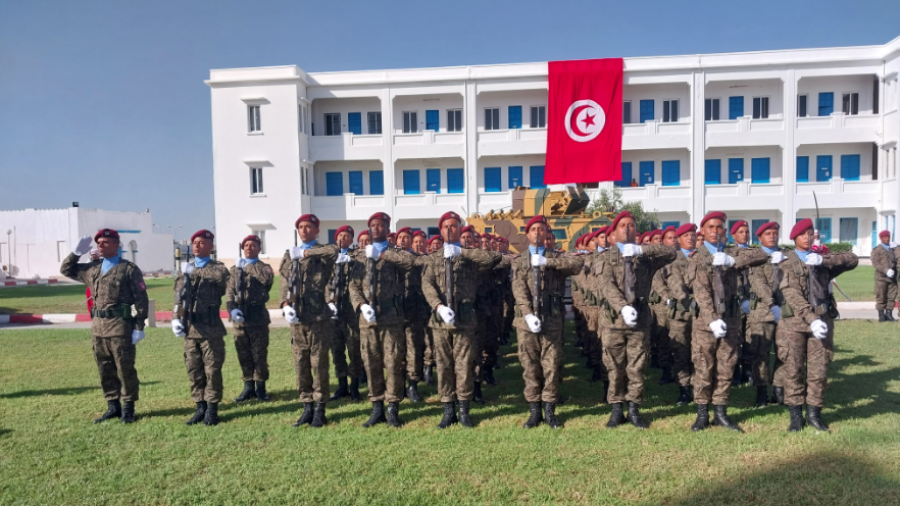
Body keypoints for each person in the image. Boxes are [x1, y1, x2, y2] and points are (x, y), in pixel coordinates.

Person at [594, 212, 676, 429]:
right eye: (622, 226)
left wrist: (642, 248)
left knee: (637, 366)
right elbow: (606, 286)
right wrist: (622, 307)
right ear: (614, 232)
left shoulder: (645, 257)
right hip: (613, 321)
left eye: (631, 226)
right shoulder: (605, 257)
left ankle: (634, 409)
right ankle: (616, 409)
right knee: (614, 366)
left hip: (639, 319)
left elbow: (671, 253)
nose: (627, 229)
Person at [688, 212, 767, 433]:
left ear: (724, 231)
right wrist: (712, 319)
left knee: (727, 366)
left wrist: (734, 261)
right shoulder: (697, 258)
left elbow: (763, 255)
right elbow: (701, 293)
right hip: (706, 324)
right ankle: (702, 414)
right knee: (704, 366)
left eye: (719, 227)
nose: (715, 231)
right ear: (702, 231)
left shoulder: (732, 253)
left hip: (731, 321)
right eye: (710, 227)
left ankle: (721, 412)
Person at [776, 218, 858, 431]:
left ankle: (814, 414)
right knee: (793, 369)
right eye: (802, 234)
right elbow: (792, 295)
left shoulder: (821, 259)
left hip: (822, 323)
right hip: (794, 324)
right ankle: (796, 416)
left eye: (810, 233)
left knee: (818, 370)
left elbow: (852, 259)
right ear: (794, 238)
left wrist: (824, 260)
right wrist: (811, 320)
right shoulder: (786, 262)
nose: (807, 237)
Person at [60, 229, 148, 424]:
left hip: (120, 326)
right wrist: (75, 253)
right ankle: (112, 406)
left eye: (106, 242)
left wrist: (139, 326)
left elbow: (141, 299)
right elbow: (66, 270)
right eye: (99, 242)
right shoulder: (92, 269)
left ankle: (128, 407)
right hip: (98, 328)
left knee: (125, 368)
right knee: (104, 368)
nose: (100, 245)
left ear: (117, 245)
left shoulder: (129, 269)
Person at [421, 212, 498, 428]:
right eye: (445, 226)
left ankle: (464, 408)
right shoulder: (433, 258)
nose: (449, 230)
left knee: (464, 364)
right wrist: (438, 306)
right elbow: (427, 284)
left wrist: (462, 251)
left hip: (465, 318)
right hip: (440, 319)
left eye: (453, 226)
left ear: (459, 229)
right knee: (444, 364)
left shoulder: (469, 255)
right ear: (440, 229)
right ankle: (448, 409)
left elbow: (492, 259)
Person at [513, 216, 583, 428]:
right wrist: (527, 313)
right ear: (527, 234)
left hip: (552, 320)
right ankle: (534, 411)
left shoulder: (556, 257)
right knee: (530, 366)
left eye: (541, 229)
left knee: (551, 365)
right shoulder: (518, 261)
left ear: (546, 234)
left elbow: (577, 264)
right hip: (526, 323)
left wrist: (547, 261)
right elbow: (518, 289)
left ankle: (550, 410)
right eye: (533, 229)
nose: (537, 233)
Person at [348, 213, 416, 427]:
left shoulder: (395, 253)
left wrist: (383, 255)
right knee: (371, 362)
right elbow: (353, 285)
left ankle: (393, 408)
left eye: (381, 225)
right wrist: (360, 305)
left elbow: (411, 263)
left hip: (391, 317)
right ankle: (376, 406)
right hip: (368, 319)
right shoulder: (360, 256)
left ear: (387, 228)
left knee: (393, 362)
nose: (376, 228)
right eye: (372, 225)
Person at [279, 214, 339, 428]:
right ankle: (307, 406)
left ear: (316, 230)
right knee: (300, 362)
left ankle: (320, 408)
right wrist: (285, 305)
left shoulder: (322, 252)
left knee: (319, 363)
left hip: (318, 317)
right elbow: (284, 282)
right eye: (301, 227)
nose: (304, 230)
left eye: (308, 227)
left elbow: (334, 250)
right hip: (298, 318)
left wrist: (304, 252)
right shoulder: (289, 255)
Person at [172, 229, 230, 426]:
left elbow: (221, 279)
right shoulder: (185, 269)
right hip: (190, 326)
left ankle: (212, 410)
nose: (197, 245)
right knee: (193, 369)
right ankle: (200, 408)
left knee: (212, 369)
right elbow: (178, 295)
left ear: (210, 246)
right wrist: (176, 318)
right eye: (194, 242)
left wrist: (193, 271)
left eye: (202, 242)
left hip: (210, 327)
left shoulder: (218, 268)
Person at [226, 234, 275, 403]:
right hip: (240, 318)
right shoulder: (234, 270)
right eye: (246, 245)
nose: (249, 248)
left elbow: (266, 281)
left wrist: (247, 267)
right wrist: (231, 309)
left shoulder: (264, 267)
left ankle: (261, 388)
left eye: (253, 245)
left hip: (258, 318)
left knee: (259, 354)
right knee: (243, 353)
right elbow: (229, 293)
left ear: (259, 249)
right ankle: (248, 387)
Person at [748, 221, 785, 407]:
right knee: (760, 355)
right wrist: (772, 305)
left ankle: (779, 391)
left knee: (784, 353)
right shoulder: (756, 257)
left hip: (786, 313)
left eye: (775, 233)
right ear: (760, 238)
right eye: (768, 233)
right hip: (763, 312)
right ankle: (761, 393)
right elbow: (759, 284)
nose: (772, 236)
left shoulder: (786, 256)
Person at [329, 225, 363, 402]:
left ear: (352, 239)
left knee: (354, 349)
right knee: (337, 350)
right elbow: (323, 283)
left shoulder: (357, 256)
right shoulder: (329, 258)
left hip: (351, 310)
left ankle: (355, 385)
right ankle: (342, 385)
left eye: (347, 235)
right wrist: (329, 301)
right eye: (340, 235)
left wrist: (350, 261)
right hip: (334, 312)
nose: (343, 238)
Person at [666, 224, 697, 405]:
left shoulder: (703, 259)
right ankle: (684, 389)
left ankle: (698, 387)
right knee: (681, 352)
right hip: (682, 314)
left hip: (702, 315)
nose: (690, 238)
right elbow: (677, 287)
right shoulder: (674, 261)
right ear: (679, 239)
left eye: (692, 235)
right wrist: (696, 299)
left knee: (700, 353)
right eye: (686, 236)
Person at [397, 227, 429, 401]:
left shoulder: (419, 260)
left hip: (415, 311)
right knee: (397, 351)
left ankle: (413, 386)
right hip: (395, 313)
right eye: (400, 237)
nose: (402, 240)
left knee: (414, 349)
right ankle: (399, 384)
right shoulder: (390, 260)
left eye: (406, 238)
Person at [729, 220, 754, 386]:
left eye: (746, 231)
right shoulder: (729, 253)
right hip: (736, 303)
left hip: (753, 301)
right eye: (741, 232)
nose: (745, 234)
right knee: (736, 338)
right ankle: (735, 372)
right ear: (734, 235)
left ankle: (748, 371)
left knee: (751, 338)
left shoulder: (755, 253)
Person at [649, 227, 674, 384]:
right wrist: (668, 298)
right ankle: (666, 371)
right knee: (663, 338)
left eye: (675, 238)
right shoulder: (659, 261)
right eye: (670, 238)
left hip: (682, 305)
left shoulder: (684, 259)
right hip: (662, 306)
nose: (673, 241)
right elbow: (658, 283)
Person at [871, 230, 897, 322]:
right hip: (881, 278)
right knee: (881, 296)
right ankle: (881, 315)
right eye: (885, 237)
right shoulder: (877, 250)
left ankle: (889, 314)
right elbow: (875, 263)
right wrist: (886, 270)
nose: (887, 238)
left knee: (891, 296)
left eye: (888, 236)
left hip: (892, 277)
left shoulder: (892, 249)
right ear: (881, 238)